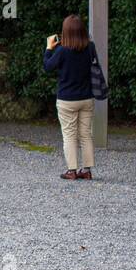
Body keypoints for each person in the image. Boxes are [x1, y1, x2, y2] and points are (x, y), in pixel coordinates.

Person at [44, 14, 98, 180]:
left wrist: (48, 48)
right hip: (87, 98)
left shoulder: (61, 51)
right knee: (85, 134)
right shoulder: (90, 47)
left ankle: (72, 170)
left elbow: (47, 66)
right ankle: (86, 170)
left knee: (69, 135)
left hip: (67, 99)